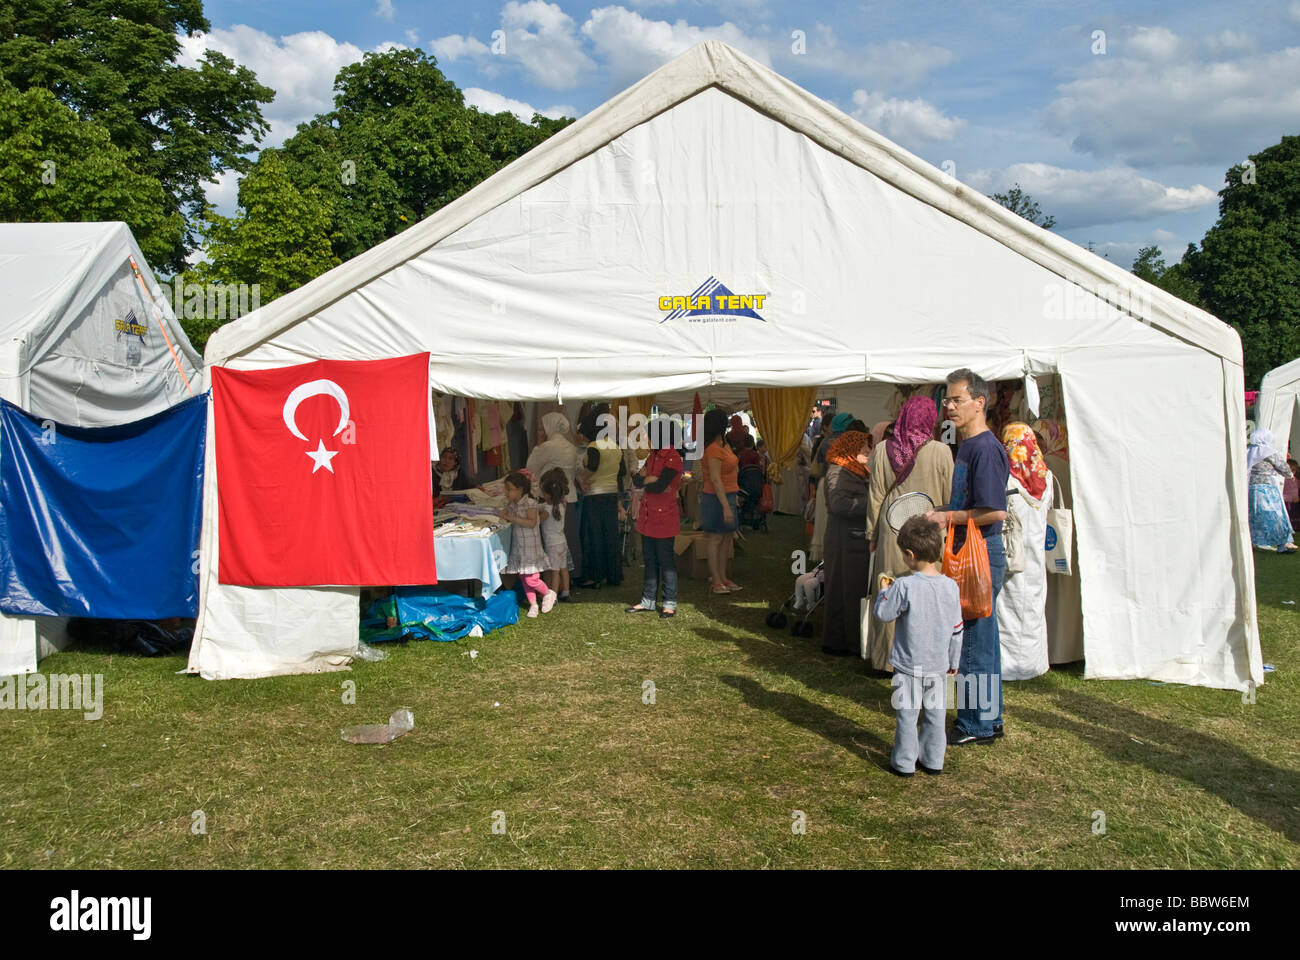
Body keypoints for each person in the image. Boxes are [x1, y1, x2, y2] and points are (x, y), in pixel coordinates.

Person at [925, 368, 1009, 746]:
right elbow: (973, 503)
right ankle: (987, 719)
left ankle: (976, 723)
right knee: (982, 637)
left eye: (957, 399)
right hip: (969, 550)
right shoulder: (968, 445)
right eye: (947, 399)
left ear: (980, 402)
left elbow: (994, 511)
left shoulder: (986, 449)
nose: (949, 406)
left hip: (981, 553)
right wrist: (944, 509)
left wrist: (947, 516)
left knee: (974, 640)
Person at [865, 395, 953, 673]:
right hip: (930, 536)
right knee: (928, 598)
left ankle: (886, 658)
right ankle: (925, 657)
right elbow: (951, 496)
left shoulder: (880, 450)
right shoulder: (941, 451)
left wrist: (872, 534)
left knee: (889, 592)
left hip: (893, 537)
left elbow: (875, 497)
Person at [873, 516, 963, 776]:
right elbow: (958, 629)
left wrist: (883, 590)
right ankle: (933, 760)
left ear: (910, 555)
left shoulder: (903, 586)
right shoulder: (951, 587)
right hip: (939, 667)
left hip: (908, 666)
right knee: (936, 717)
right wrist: (954, 662)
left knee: (907, 717)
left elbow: (883, 613)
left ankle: (904, 763)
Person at [996, 423, 1054, 681]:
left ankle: (1009, 664)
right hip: (1036, 552)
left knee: (1008, 607)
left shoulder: (1005, 477)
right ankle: (1033, 661)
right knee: (1032, 606)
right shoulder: (1047, 477)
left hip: (1012, 550)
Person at [821, 428, 873, 656]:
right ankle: (839, 642)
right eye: (864, 448)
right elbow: (839, 505)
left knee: (852, 590)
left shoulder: (856, 470)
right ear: (851, 449)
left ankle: (850, 640)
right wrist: (871, 503)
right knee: (842, 589)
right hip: (843, 539)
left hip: (852, 539)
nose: (868, 452)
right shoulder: (838, 470)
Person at [626, 419, 684, 618]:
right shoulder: (653, 456)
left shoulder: (673, 457)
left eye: (649, 435)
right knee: (649, 559)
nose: (646, 439)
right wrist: (649, 480)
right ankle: (648, 600)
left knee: (666, 561)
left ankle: (669, 602)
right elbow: (637, 480)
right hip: (648, 515)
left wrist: (648, 481)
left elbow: (659, 486)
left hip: (664, 516)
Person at [527, 412, 584, 581]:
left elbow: (530, 467)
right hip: (569, 497)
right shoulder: (572, 447)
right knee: (568, 539)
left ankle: (551, 579)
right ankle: (571, 576)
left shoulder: (547, 447)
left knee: (549, 539)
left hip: (549, 497)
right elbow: (578, 470)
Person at [576, 407, 627, 587]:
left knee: (594, 536)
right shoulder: (616, 447)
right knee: (610, 536)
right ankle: (613, 574)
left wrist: (582, 480)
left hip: (594, 495)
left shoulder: (594, 447)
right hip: (611, 494)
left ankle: (595, 576)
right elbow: (622, 473)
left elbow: (593, 467)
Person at [498, 471, 555, 618]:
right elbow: (503, 513)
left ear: (520, 489)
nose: (507, 492)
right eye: (506, 489)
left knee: (531, 578)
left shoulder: (530, 502)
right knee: (524, 577)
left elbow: (532, 522)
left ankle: (548, 593)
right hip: (519, 546)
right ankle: (533, 604)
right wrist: (505, 509)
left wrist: (511, 517)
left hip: (531, 546)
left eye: (509, 489)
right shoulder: (512, 503)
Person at [699, 408, 741, 593]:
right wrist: (725, 506)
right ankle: (716, 580)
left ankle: (723, 577)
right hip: (716, 498)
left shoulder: (723, 445)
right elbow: (715, 480)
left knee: (725, 538)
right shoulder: (713, 449)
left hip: (728, 494)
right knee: (716, 538)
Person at [810, 412, 854, 563]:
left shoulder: (826, 441)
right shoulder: (849, 441)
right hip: (841, 484)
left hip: (824, 482)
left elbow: (820, 465)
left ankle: (823, 553)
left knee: (824, 520)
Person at [1247, 429, 1297, 553]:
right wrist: (1290, 474)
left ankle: (1255, 541)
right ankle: (1282, 543)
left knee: (1255, 515)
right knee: (1275, 515)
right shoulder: (1267, 452)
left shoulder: (1249, 451)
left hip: (1251, 487)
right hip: (1267, 488)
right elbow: (1282, 466)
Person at [538, 467, 573, 603]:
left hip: (552, 545)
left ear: (547, 495)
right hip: (562, 542)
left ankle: (552, 595)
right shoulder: (561, 506)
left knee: (555, 571)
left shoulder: (547, 509)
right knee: (563, 569)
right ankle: (566, 592)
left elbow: (538, 521)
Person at [1286, 459, 1300, 529]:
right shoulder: (1284, 481)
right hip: (1288, 502)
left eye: (1294, 471)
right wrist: (1290, 498)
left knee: (1295, 514)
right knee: (1289, 515)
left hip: (1295, 501)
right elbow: (1282, 493)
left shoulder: (1296, 480)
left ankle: (1296, 526)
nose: (1292, 473)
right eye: (1291, 471)